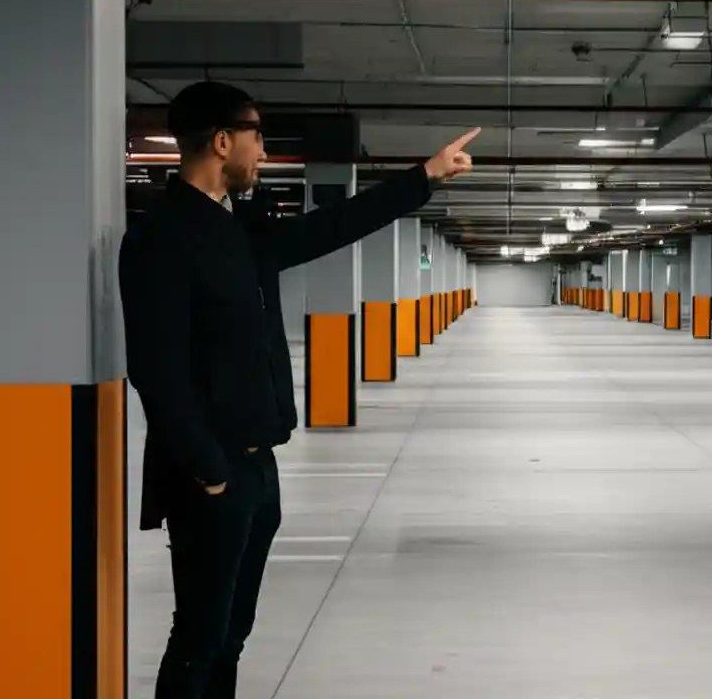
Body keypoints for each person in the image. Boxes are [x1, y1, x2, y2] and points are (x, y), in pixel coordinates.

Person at [120, 81, 479, 698]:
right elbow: (157, 371)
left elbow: (333, 227)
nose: (264, 152)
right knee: (199, 636)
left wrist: (423, 176)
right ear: (223, 140)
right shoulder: (162, 239)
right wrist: (209, 470)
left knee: (233, 632)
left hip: (258, 469)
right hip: (211, 477)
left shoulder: (242, 230)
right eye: (258, 136)